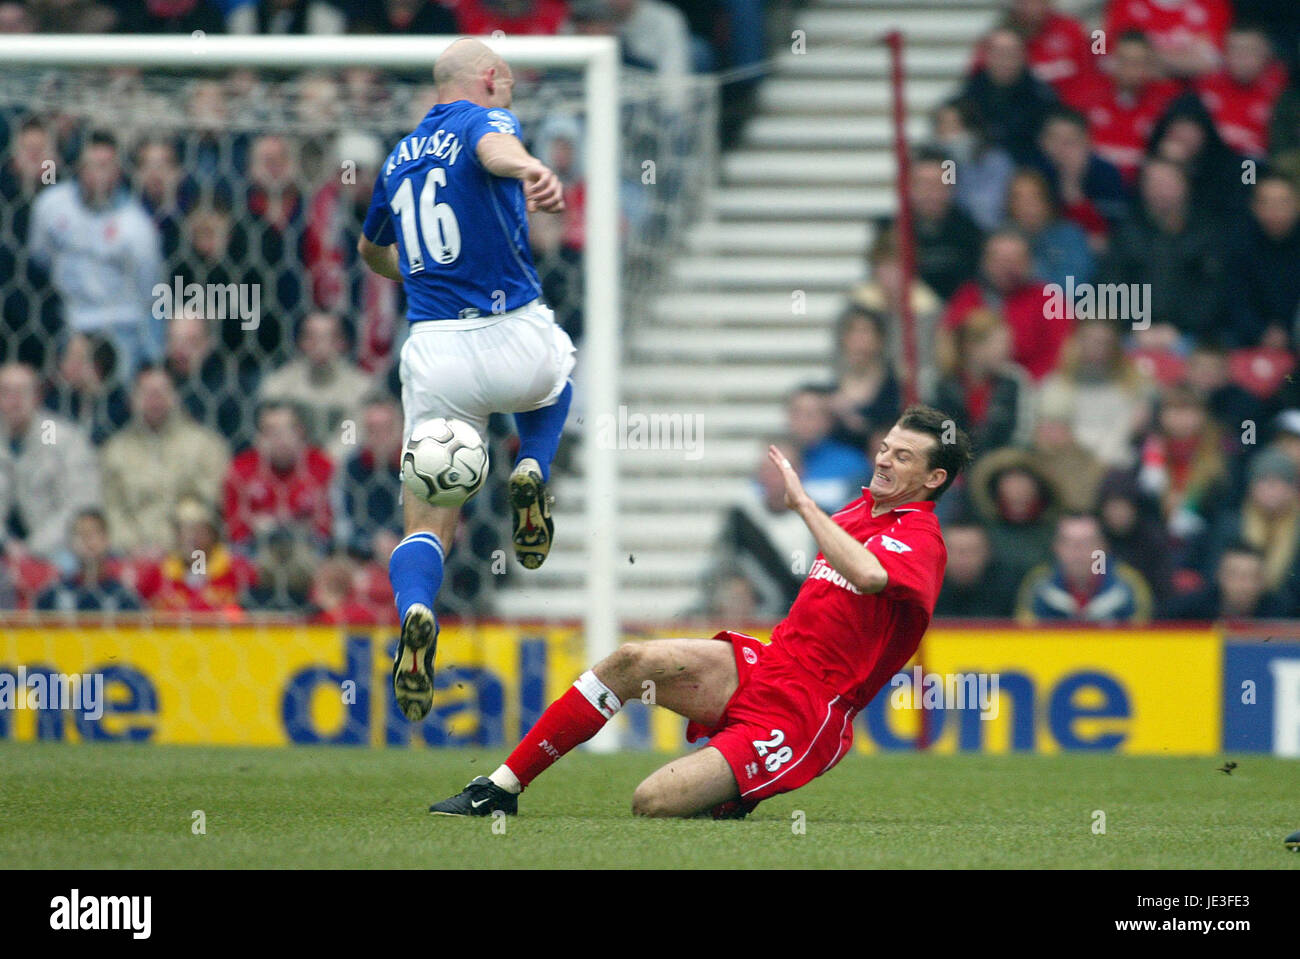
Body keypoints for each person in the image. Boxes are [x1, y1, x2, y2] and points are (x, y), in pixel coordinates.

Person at [427, 406, 971, 818]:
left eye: (903, 457)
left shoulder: (921, 539)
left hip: (808, 711)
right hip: (768, 664)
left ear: (934, 480)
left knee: (652, 802)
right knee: (631, 660)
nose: (884, 460)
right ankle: (499, 789)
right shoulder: (859, 508)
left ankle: (736, 785)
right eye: (886, 447)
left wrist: (804, 507)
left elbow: (872, 576)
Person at [357, 38, 574, 722]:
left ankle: (417, 610)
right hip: (512, 331)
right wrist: (533, 168)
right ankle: (531, 464)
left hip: (437, 351)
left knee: (426, 518)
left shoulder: (397, 157)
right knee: (561, 375)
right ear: (487, 79)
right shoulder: (486, 120)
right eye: (505, 86)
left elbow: (370, 250)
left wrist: (414, 269)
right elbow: (494, 151)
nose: (507, 98)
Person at [1015, 512, 1154, 624]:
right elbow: (1026, 637)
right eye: (1069, 543)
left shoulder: (1128, 584)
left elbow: (1141, 639)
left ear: (1102, 548)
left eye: (1087, 543)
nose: (1078, 551)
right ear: (1056, 548)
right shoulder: (1038, 584)